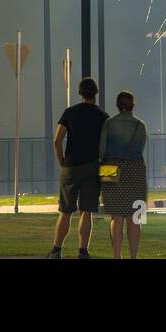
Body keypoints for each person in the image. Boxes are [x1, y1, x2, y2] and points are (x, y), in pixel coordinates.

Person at [48, 77, 108, 259]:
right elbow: (106, 147)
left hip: (71, 166)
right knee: (87, 211)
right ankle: (83, 251)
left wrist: (62, 161)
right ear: (96, 93)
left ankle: (56, 250)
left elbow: (57, 140)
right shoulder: (102, 117)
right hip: (92, 166)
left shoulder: (70, 113)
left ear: (80, 93)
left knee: (65, 211)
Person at [99, 90, 149, 259]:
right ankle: (133, 256)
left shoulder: (109, 124)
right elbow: (141, 148)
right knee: (135, 216)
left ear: (117, 105)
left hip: (110, 168)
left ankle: (117, 256)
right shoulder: (140, 125)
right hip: (135, 169)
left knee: (116, 215)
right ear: (132, 105)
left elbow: (101, 150)